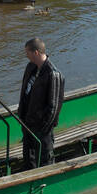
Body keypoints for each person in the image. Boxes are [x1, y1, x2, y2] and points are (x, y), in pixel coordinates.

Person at [17, 37, 64, 170]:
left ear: (36, 52)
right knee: (28, 155)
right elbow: (25, 92)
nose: (26, 55)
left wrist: (43, 128)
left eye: (27, 52)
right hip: (27, 122)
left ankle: (45, 181)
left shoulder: (53, 74)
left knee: (45, 157)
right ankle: (28, 177)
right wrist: (22, 114)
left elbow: (54, 107)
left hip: (42, 128)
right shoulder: (30, 67)